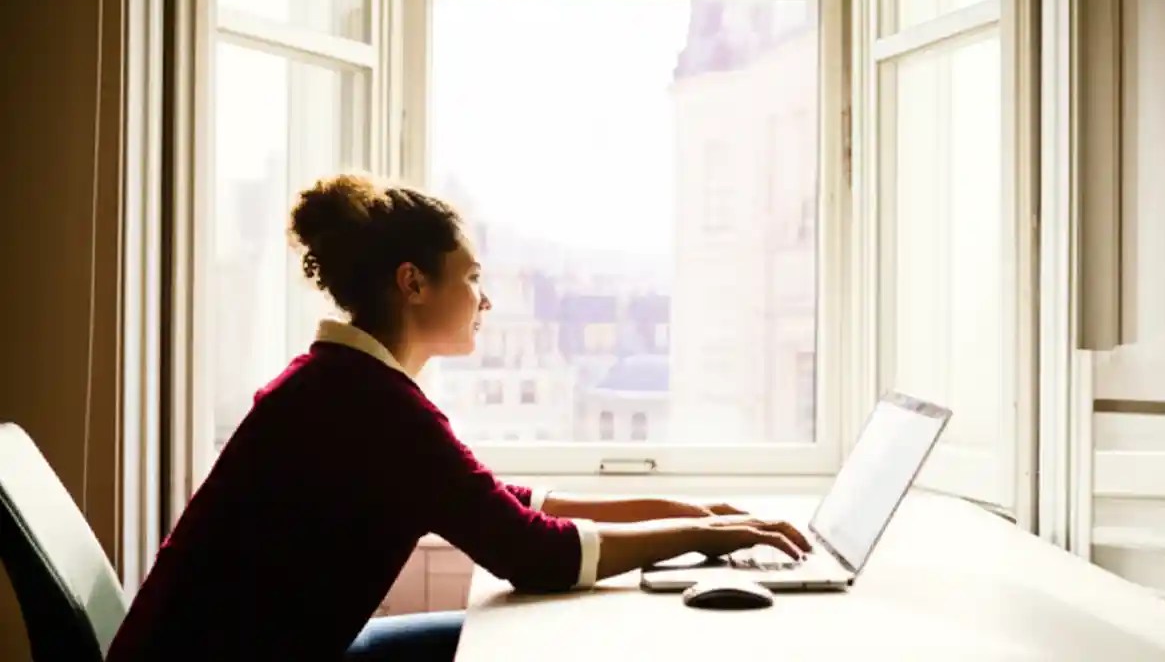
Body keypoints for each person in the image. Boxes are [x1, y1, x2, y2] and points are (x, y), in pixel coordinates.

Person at [106, 174, 811, 661]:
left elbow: (507, 505)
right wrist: (699, 533)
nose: (485, 299)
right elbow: (536, 552)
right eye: (472, 277)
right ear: (413, 283)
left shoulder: (345, 387)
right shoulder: (370, 408)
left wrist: (700, 516)